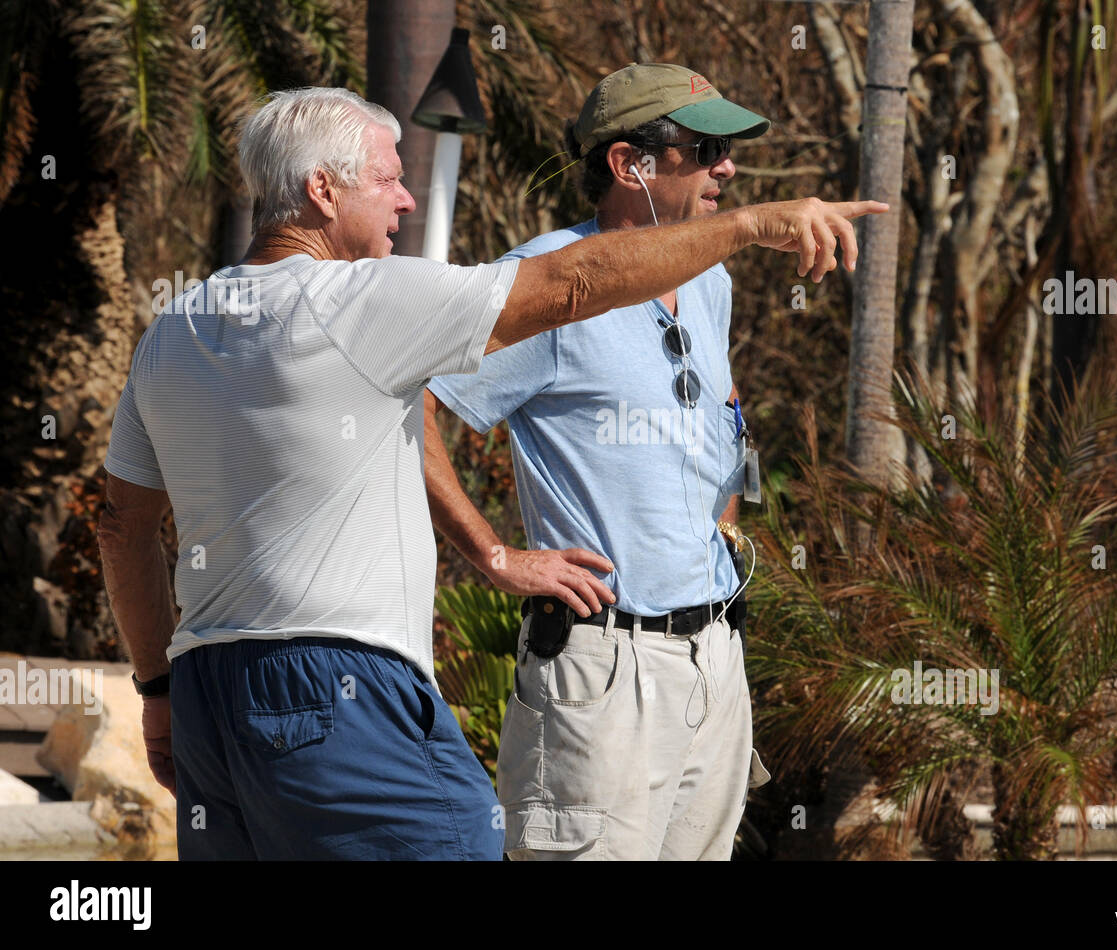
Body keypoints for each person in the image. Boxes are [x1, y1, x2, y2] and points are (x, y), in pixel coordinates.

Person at [97, 84, 884, 860]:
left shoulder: (172, 329)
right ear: (321, 190)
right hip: (343, 685)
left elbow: (121, 527)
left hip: (207, 691)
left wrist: (158, 691)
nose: (406, 200)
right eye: (387, 178)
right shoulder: (364, 299)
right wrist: (753, 227)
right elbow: (569, 283)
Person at [424, 63, 837, 860]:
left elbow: (720, 403)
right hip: (601, 673)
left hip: (716, 661)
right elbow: (412, 405)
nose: (729, 167)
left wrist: (725, 515)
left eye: (729, 149)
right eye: (706, 147)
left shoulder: (709, 279)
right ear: (629, 165)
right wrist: (495, 556)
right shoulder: (546, 281)